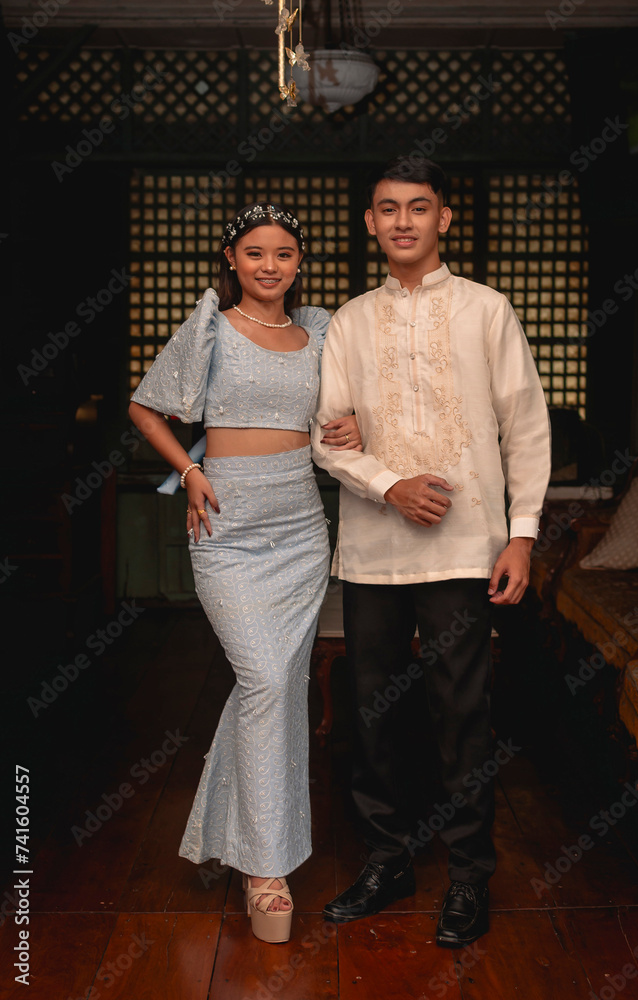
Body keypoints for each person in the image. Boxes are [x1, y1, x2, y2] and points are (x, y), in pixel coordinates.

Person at [310, 159, 551, 948]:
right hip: (373, 547)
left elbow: (524, 425)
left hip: (465, 546)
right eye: (387, 209)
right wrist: (390, 484)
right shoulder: (349, 322)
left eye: (418, 208)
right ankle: (387, 860)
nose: (402, 221)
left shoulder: (486, 310)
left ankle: (469, 875)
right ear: (370, 223)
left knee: (462, 713)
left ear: (443, 218)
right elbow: (326, 435)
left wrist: (520, 534)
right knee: (373, 713)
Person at [128, 201, 361, 944]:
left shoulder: (320, 331)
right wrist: (189, 471)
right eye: (255, 252)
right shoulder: (209, 327)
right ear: (231, 258)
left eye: (284, 253)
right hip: (226, 525)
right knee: (264, 681)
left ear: (299, 263)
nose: (269, 265)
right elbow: (145, 408)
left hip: (299, 529)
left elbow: (351, 408)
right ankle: (265, 868)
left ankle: (249, 850)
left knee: (275, 687)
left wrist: (357, 422)